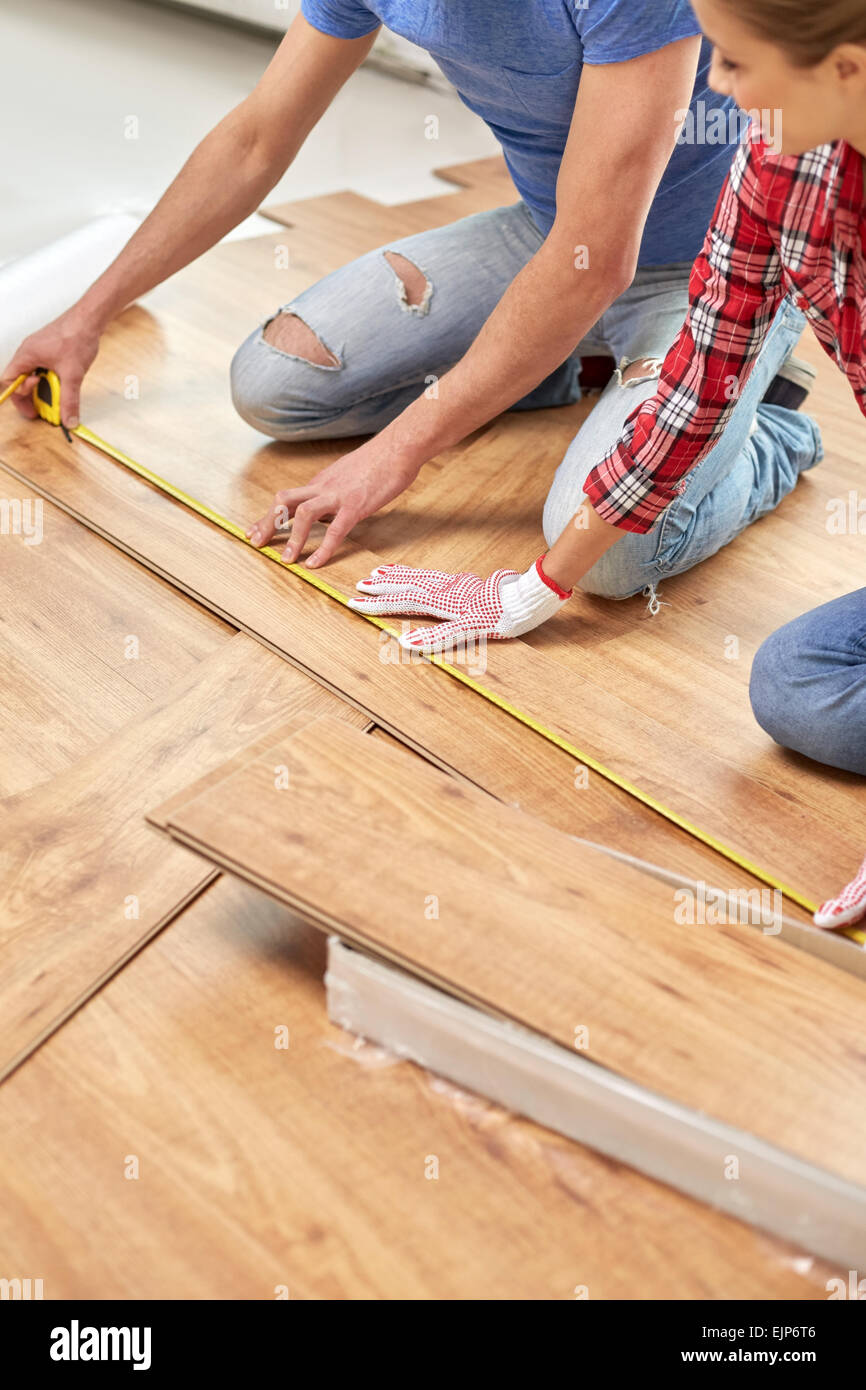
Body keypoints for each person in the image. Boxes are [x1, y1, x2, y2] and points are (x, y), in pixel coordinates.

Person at [2, 3, 816, 595]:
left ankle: (765, 431)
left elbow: (598, 257)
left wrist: (398, 453)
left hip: (717, 266)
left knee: (610, 557)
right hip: (550, 233)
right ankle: (574, 366)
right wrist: (87, 316)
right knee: (274, 387)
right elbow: (256, 139)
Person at [352, 0, 866, 927]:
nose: (713, 86)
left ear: (848, 71)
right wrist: (538, 585)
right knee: (797, 688)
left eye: (738, 64)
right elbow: (699, 375)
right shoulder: (778, 160)